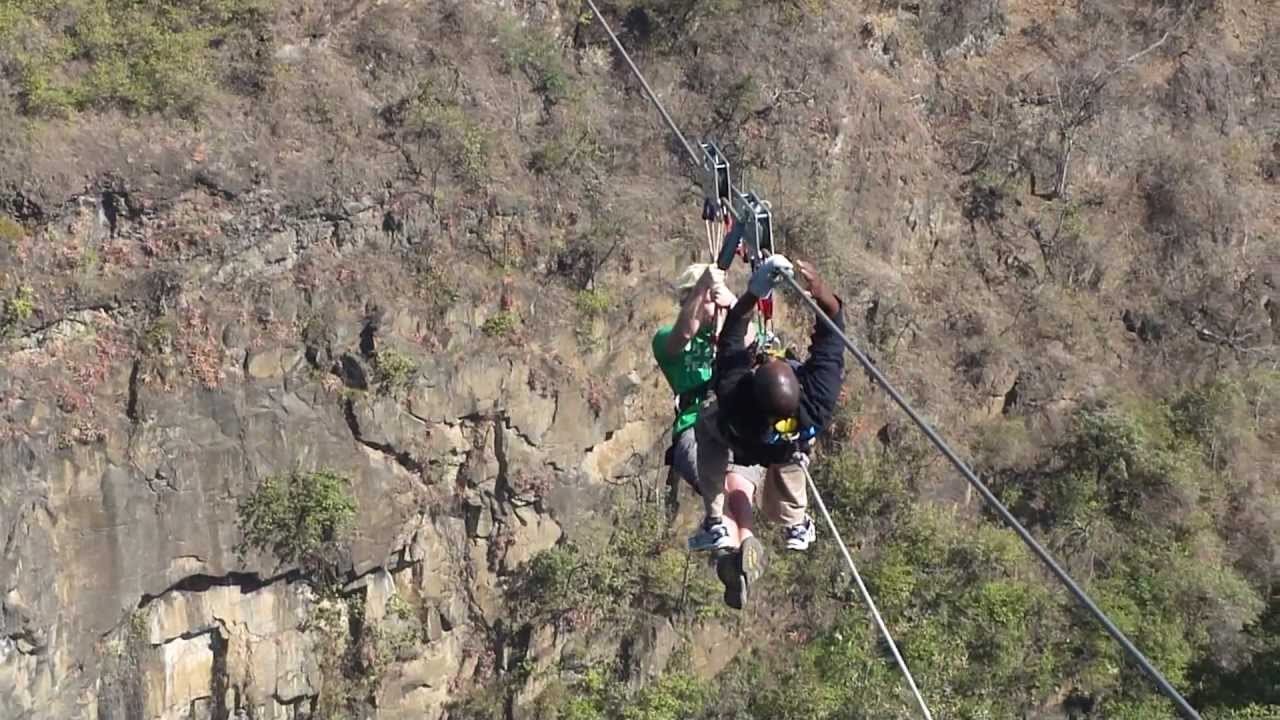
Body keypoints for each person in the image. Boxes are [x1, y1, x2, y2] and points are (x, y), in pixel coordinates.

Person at [687, 254, 847, 605]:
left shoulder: (736, 398)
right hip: (787, 445)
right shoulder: (817, 397)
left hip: (743, 438)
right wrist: (822, 293)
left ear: (753, 383)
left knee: (706, 425)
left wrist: (753, 294)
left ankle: (715, 517)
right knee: (792, 457)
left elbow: (730, 343)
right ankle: (795, 520)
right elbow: (833, 333)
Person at [652, 263, 763, 608]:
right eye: (704, 300)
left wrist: (734, 305)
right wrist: (703, 291)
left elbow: (753, 340)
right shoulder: (666, 339)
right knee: (723, 494)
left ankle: (740, 557)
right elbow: (682, 335)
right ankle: (731, 553)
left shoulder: (732, 332)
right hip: (695, 428)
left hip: (733, 423)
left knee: (740, 489)